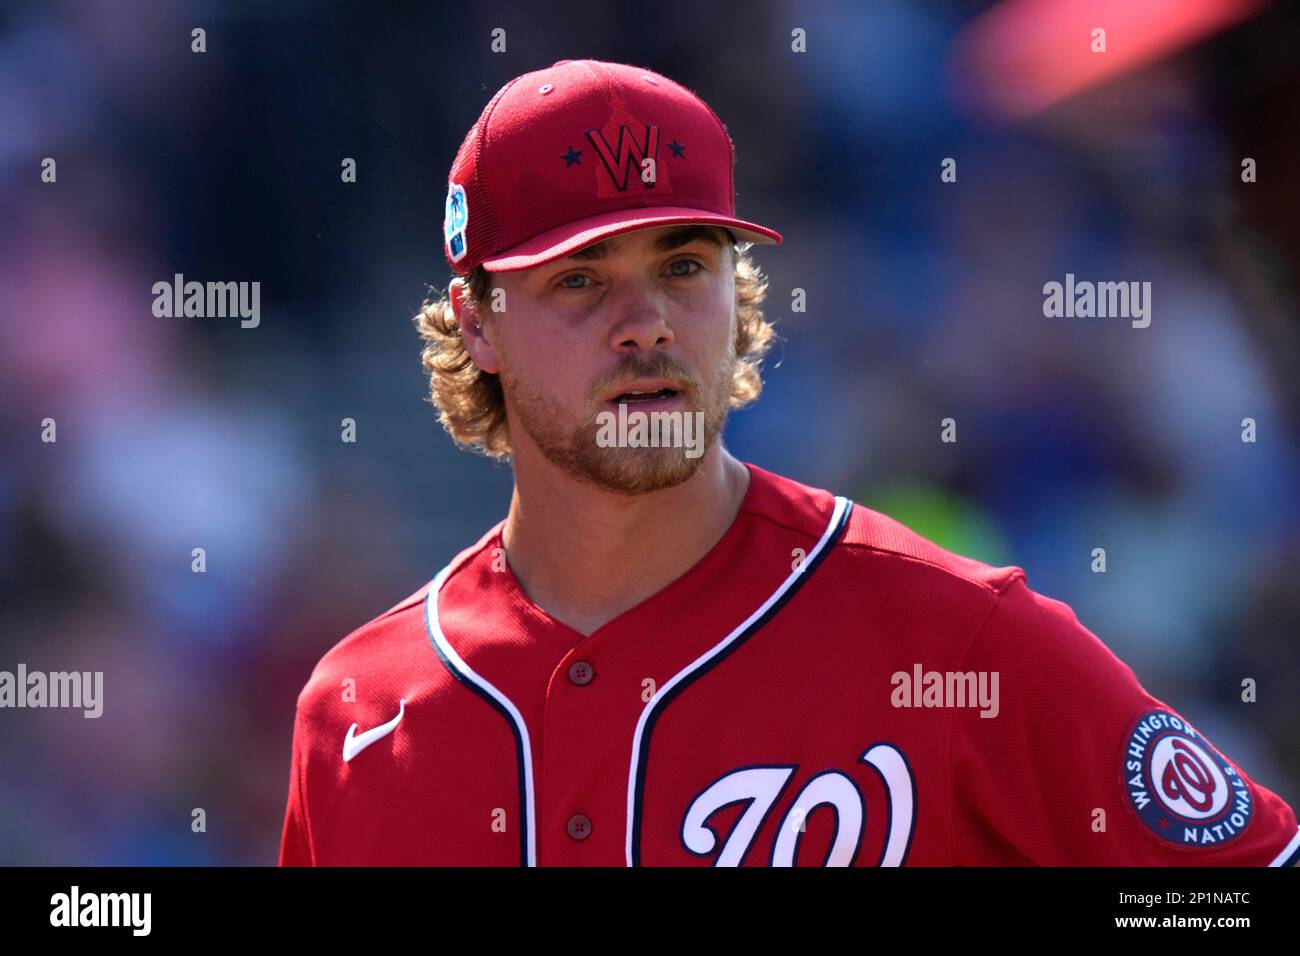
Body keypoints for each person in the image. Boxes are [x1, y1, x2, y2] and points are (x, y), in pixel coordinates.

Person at [278, 59, 1300, 866]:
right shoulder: (358, 707)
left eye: (683, 265)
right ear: (480, 324)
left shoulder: (956, 638)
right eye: (580, 279)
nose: (645, 325)